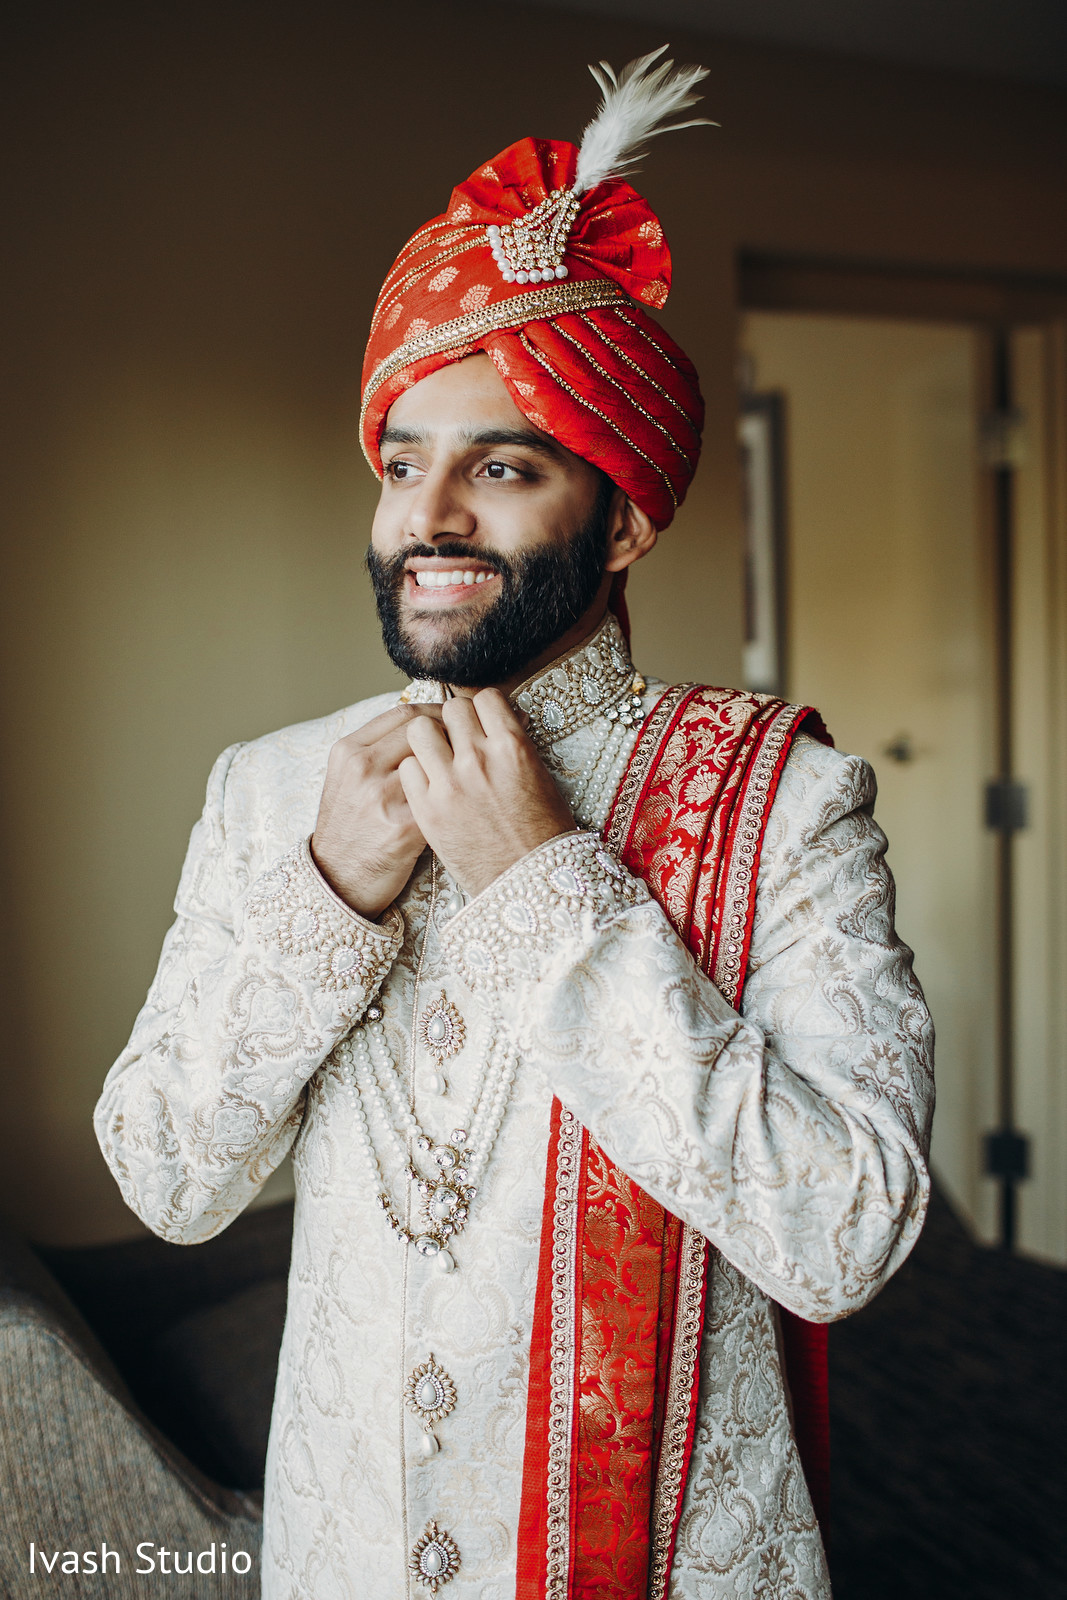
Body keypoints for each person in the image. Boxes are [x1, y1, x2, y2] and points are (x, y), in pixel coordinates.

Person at [95, 49, 933, 1600]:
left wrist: (549, 885)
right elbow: (162, 1178)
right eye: (402, 464)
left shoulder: (784, 801)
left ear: (625, 519)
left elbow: (847, 1237)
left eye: (501, 466)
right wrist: (328, 895)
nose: (428, 518)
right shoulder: (273, 791)